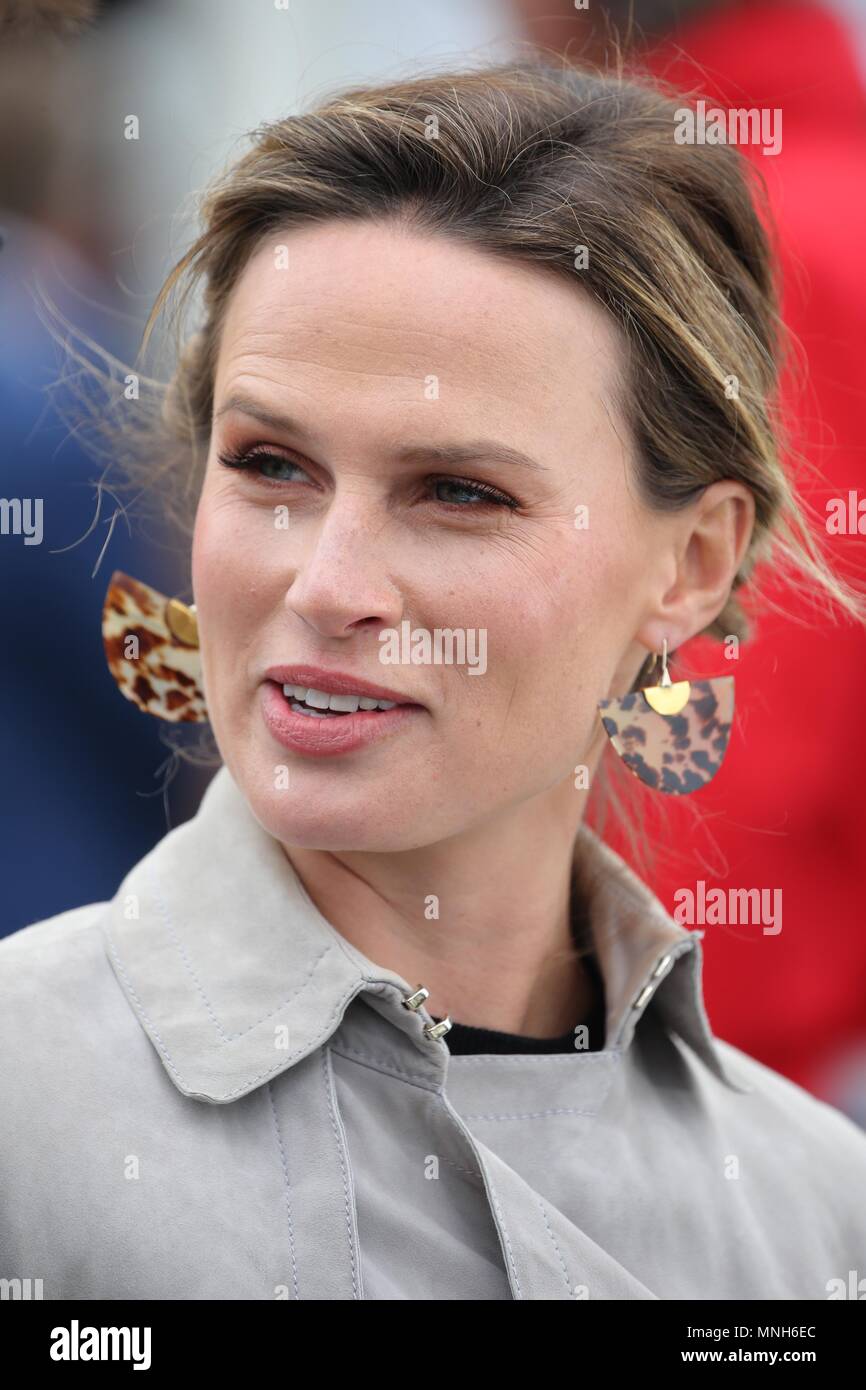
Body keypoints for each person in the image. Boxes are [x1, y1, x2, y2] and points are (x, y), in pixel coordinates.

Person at [1, 58, 865, 1302]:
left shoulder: (814, 1218)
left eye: (458, 493)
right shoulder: (27, 1126)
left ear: (689, 562)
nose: (324, 583)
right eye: (270, 466)